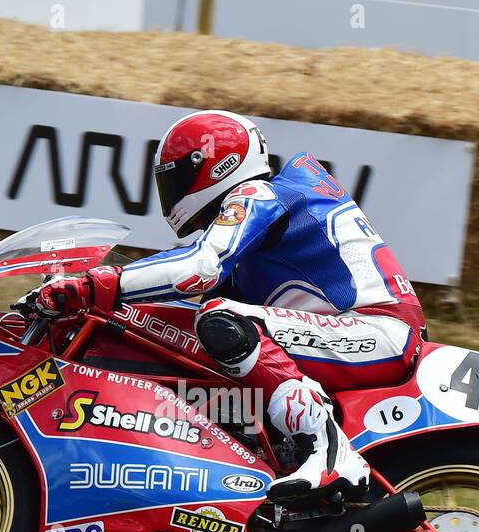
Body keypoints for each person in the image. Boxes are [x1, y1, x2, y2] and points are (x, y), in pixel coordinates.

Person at [25, 109, 425, 503]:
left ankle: (328, 450)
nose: (171, 193)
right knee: (202, 331)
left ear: (217, 165)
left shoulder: (259, 194)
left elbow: (199, 267)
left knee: (221, 319)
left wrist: (95, 284)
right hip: (349, 331)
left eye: (177, 178)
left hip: (377, 330)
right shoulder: (255, 221)